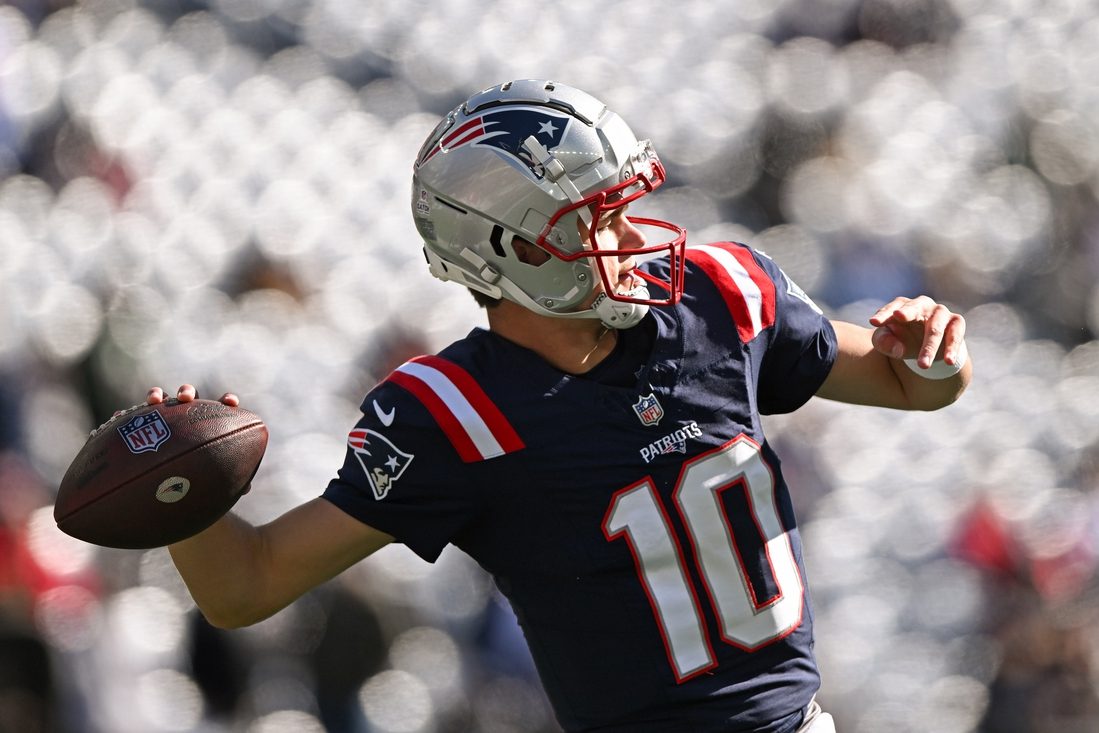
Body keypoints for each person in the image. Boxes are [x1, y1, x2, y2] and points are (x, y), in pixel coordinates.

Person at [148, 80, 971, 733]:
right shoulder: (456, 411)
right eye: (598, 219)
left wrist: (934, 354)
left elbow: (909, 384)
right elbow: (245, 586)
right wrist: (178, 492)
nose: (631, 235)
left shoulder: (719, 294)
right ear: (513, 247)